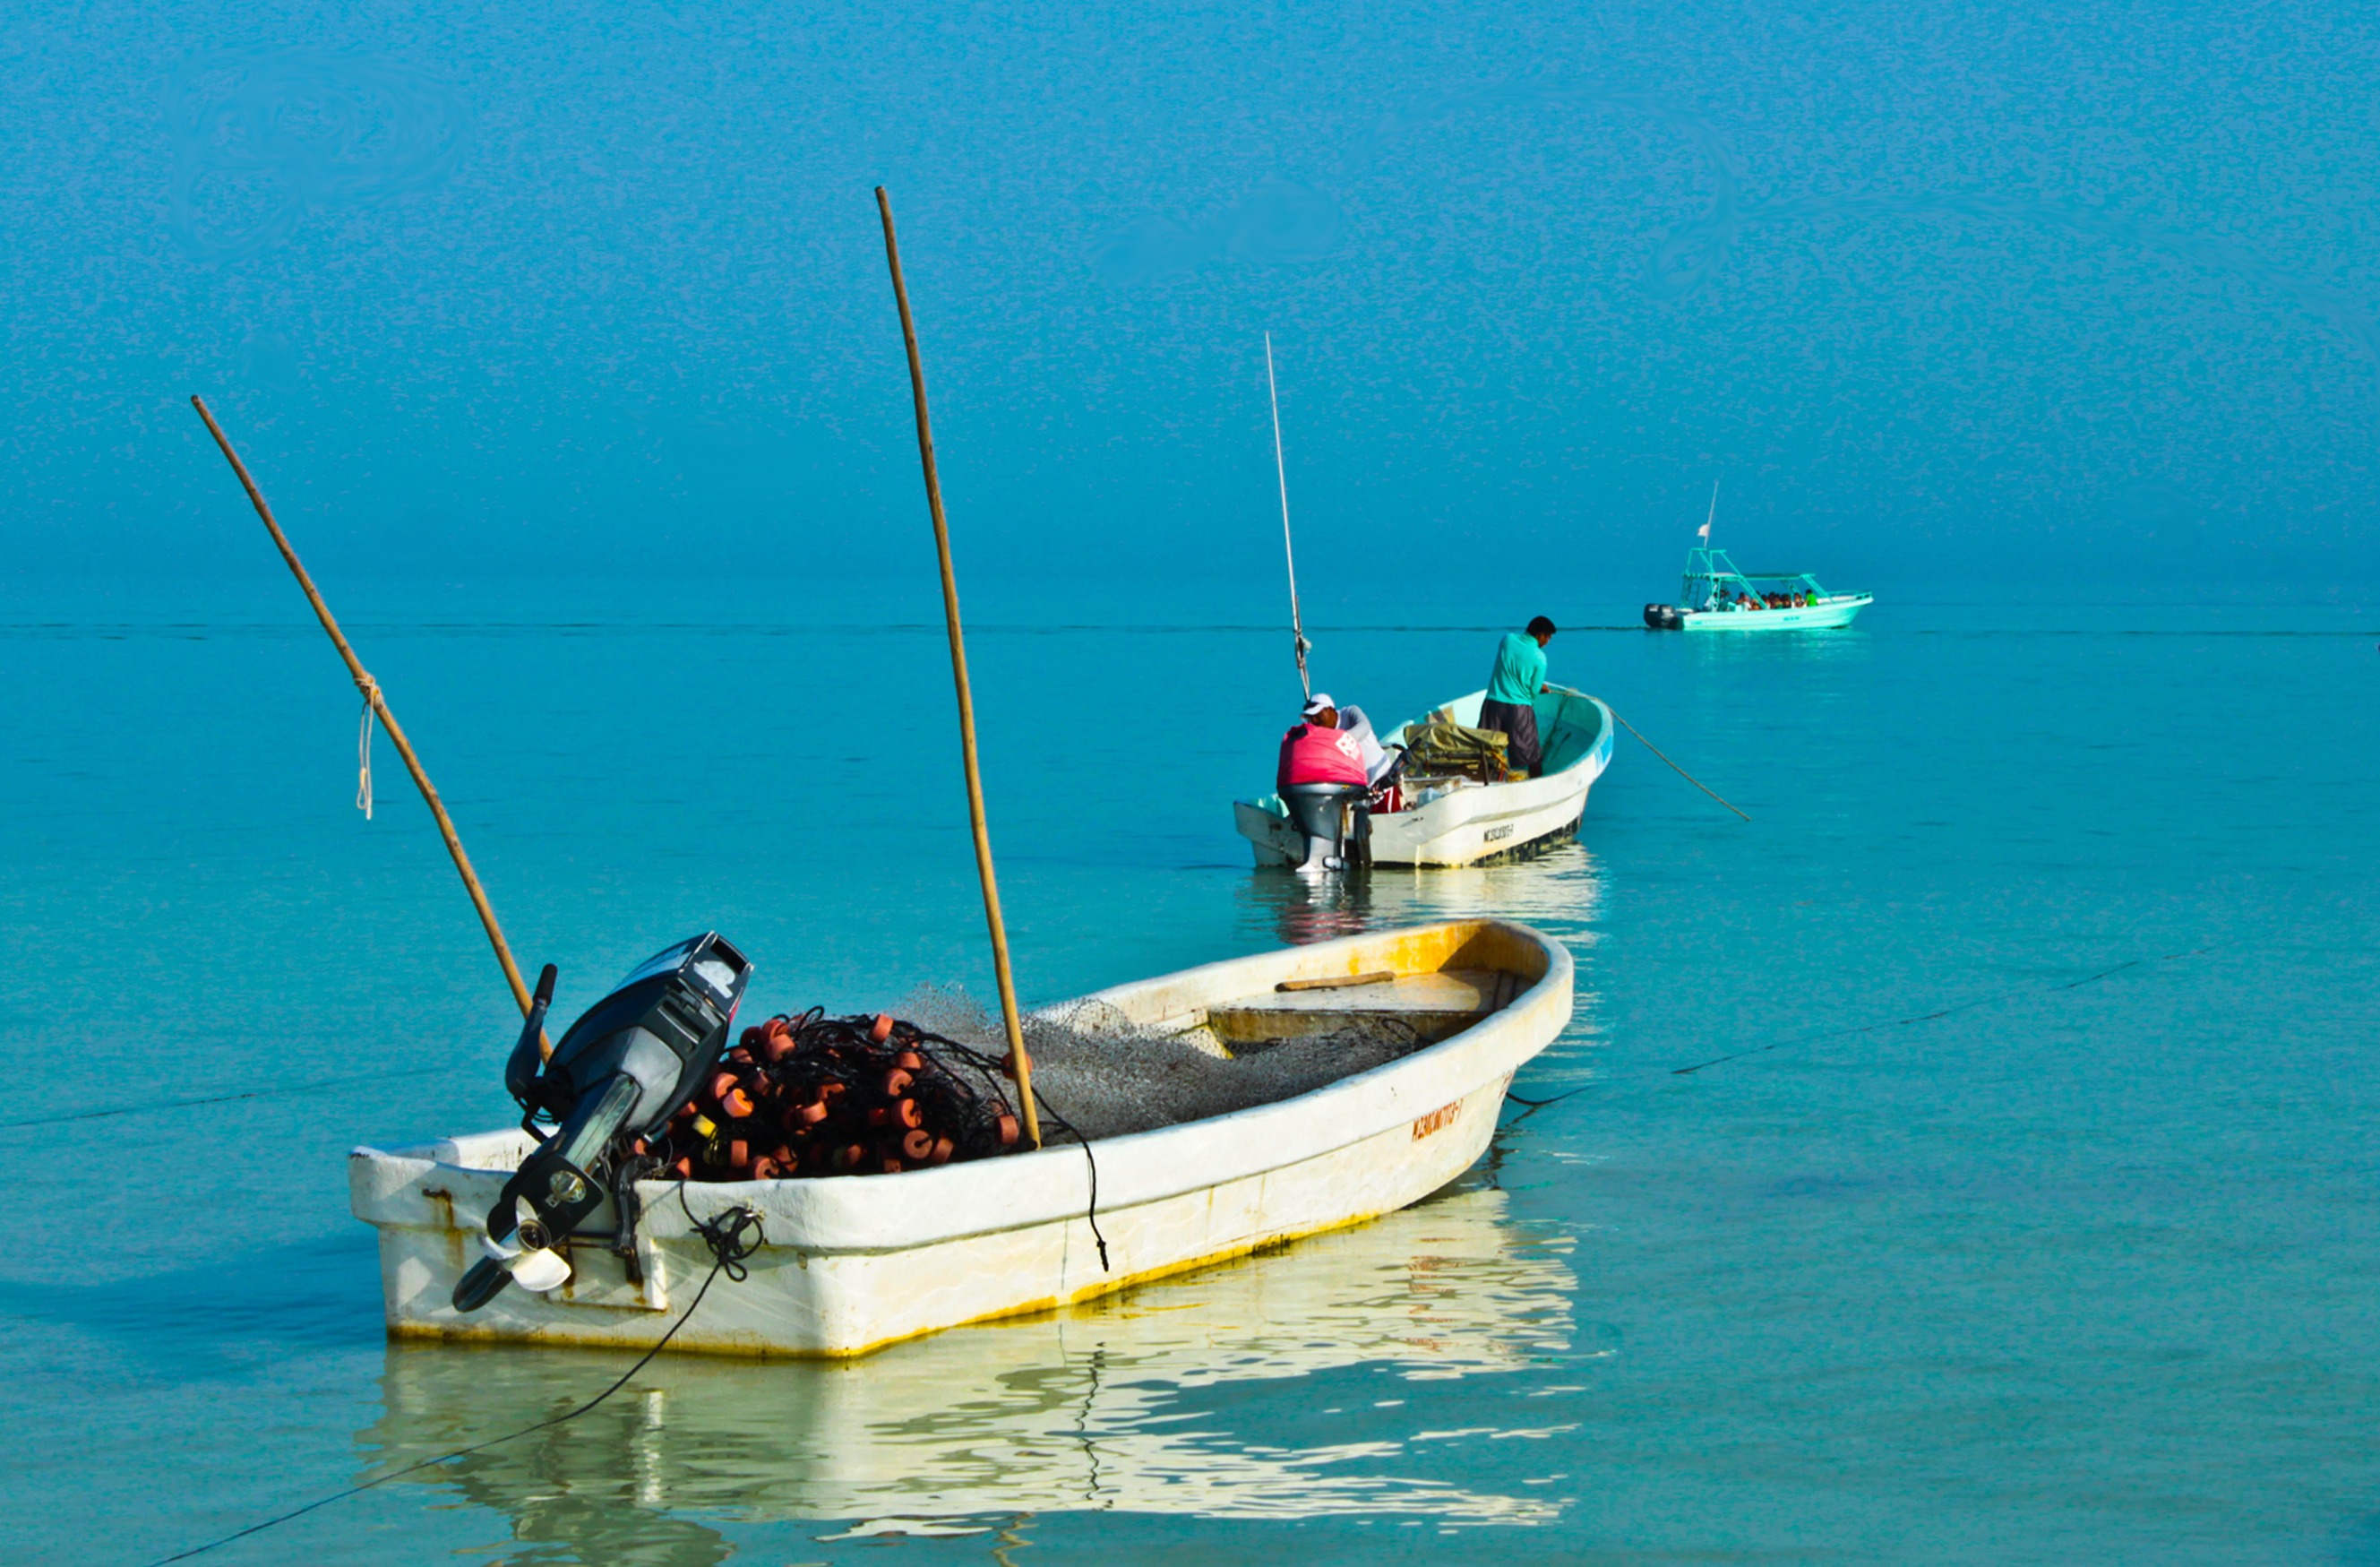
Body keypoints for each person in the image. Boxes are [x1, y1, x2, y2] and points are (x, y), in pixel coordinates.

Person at [1478, 616, 1554, 777]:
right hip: (1520, 709)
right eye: (1548, 637)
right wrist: (1540, 691)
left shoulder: (1507, 640)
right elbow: (1533, 690)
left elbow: (1511, 666)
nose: (1548, 642)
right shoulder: (1540, 658)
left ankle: (1483, 782)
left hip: (1493, 704)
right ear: (1540, 635)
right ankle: (1537, 784)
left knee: (1487, 750)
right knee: (1531, 755)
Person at [1276, 693, 1370, 791]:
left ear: (1329, 710)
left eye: (1317, 715)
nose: (1314, 721)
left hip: (1378, 779)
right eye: (1311, 718)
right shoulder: (1321, 738)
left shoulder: (1350, 713)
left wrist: (1338, 739)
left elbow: (1364, 727)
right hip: (1354, 787)